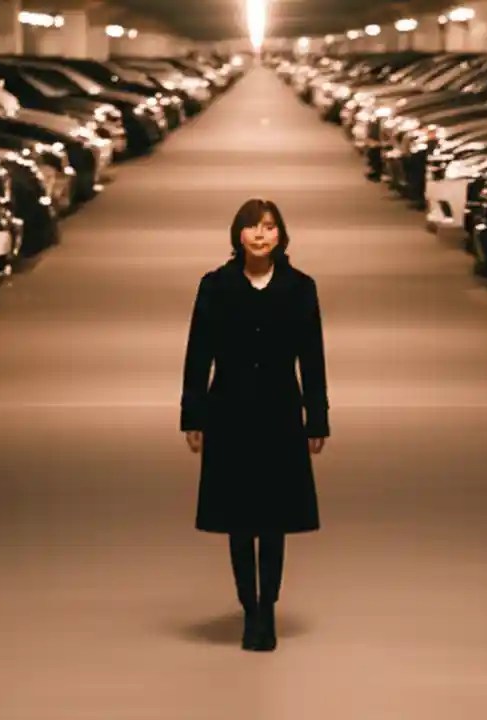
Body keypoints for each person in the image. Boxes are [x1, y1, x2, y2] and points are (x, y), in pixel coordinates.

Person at [180, 198, 330, 653]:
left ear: (281, 235)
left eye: (268, 227)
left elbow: (313, 357)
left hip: (281, 413)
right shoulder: (215, 286)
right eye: (251, 227)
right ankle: (250, 606)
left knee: (275, 517)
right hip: (229, 412)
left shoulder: (301, 288)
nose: (260, 235)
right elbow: (197, 355)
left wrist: (316, 417)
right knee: (240, 517)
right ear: (238, 235)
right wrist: (194, 415)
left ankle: (269, 607)